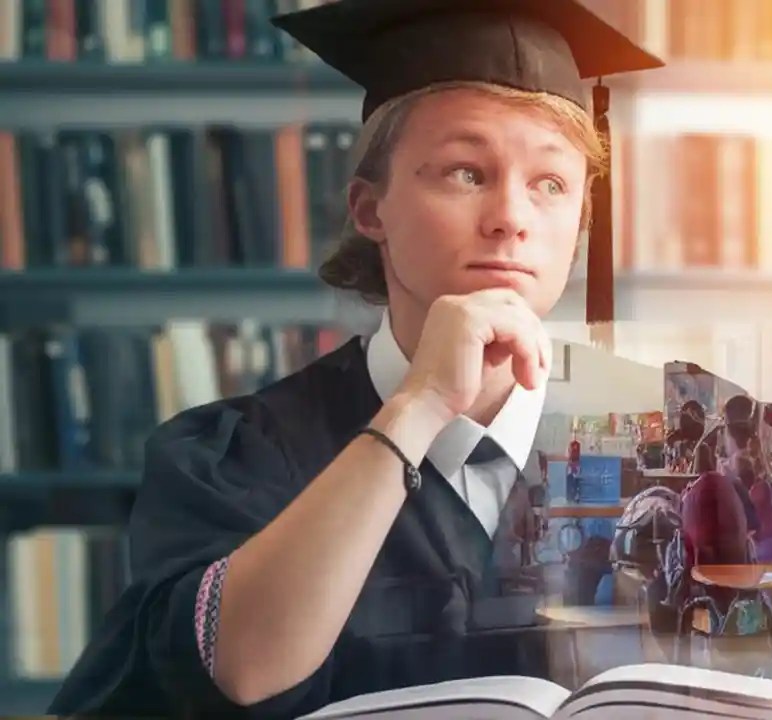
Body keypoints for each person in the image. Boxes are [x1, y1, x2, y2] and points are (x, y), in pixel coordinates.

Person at [49, 1, 662, 717]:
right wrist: (419, 406)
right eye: (465, 173)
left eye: (550, 184)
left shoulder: (666, 438)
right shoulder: (242, 458)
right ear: (371, 210)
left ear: (581, 218)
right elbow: (240, 671)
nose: (510, 217)